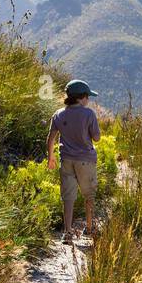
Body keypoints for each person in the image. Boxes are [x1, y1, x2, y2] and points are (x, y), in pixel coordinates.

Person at [47, 79, 101, 244]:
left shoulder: (58, 114)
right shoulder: (89, 114)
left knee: (68, 197)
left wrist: (51, 157)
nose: (89, 100)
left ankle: (68, 232)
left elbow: (50, 139)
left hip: (66, 160)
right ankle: (90, 228)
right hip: (86, 161)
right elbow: (97, 138)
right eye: (88, 97)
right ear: (81, 97)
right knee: (89, 195)